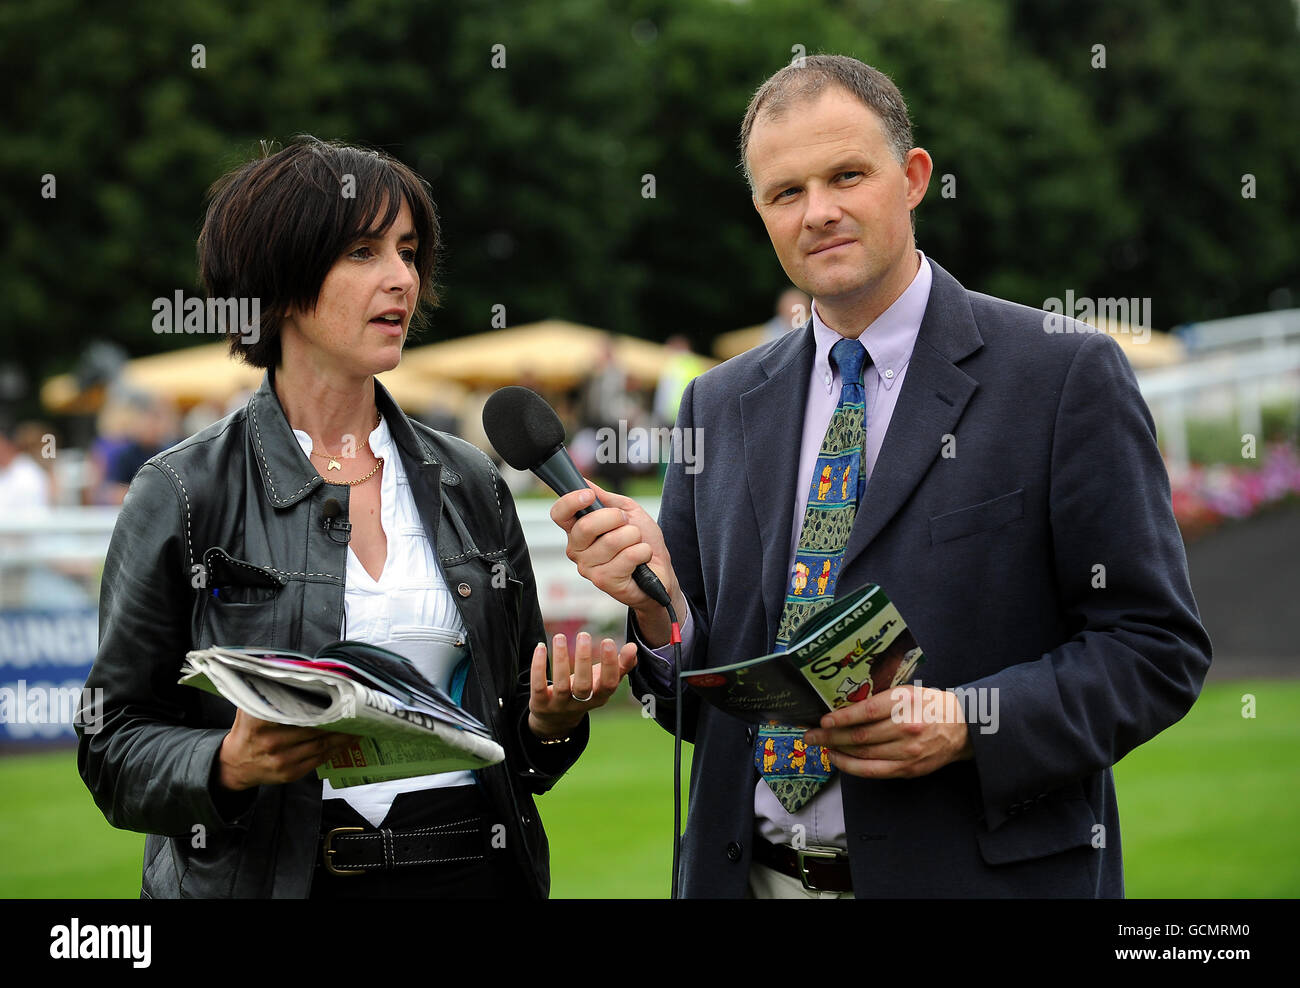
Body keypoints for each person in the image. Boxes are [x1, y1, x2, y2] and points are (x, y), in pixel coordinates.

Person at [551, 56, 1211, 898]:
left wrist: (971, 722)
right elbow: (696, 699)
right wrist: (656, 614)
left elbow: (1155, 648)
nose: (818, 211)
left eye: (846, 176)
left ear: (913, 178)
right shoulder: (715, 406)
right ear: (760, 213)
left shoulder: (1060, 375)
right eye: (786, 192)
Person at [77, 137, 636, 899]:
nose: (402, 278)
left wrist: (550, 720)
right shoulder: (180, 489)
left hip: (471, 876)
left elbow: (516, 753)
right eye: (364, 253)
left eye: (408, 252)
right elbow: (111, 743)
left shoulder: (472, 479)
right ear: (279, 276)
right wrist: (227, 764)